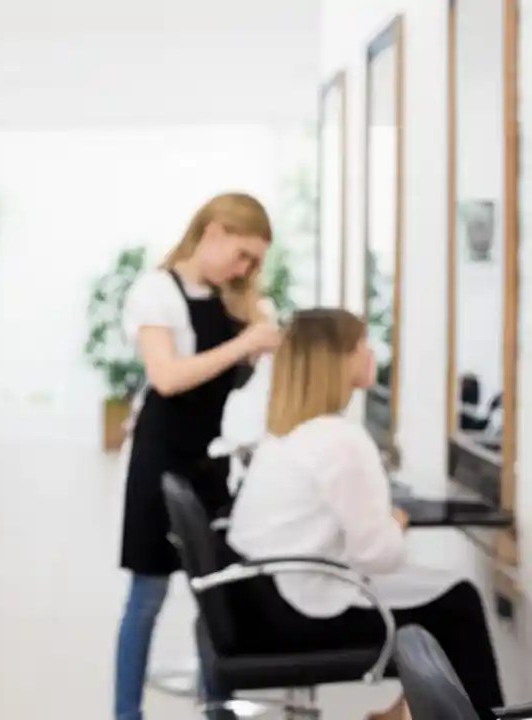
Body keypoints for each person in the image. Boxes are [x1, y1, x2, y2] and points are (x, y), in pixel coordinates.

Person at [228, 309, 505, 720]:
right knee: (458, 605)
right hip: (301, 612)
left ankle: (398, 714)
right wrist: (396, 522)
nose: (370, 353)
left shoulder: (285, 435)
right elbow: (380, 556)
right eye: (361, 345)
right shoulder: (340, 439)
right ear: (337, 359)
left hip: (261, 601)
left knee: (444, 600)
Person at [114, 192, 281, 720]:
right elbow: (167, 376)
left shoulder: (239, 301)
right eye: (243, 255)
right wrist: (245, 342)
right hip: (160, 461)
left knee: (215, 599)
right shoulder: (154, 291)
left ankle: (217, 708)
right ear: (212, 232)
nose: (246, 268)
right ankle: (126, 714)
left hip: (212, 464)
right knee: (148, 596)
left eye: (255, 261)